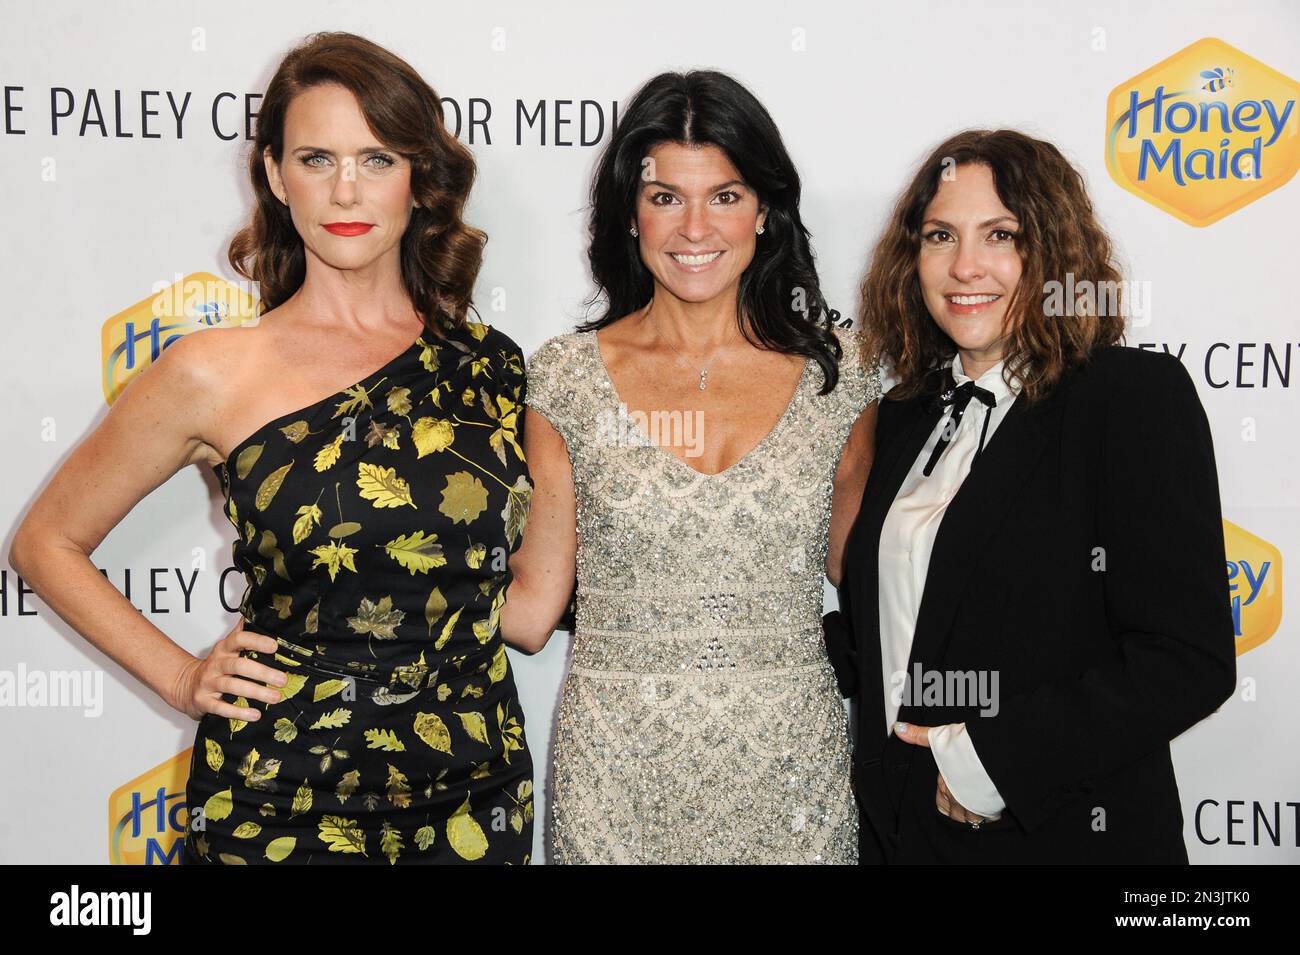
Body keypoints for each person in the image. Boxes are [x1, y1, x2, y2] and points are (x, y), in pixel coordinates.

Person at [9, 32, 534, 864]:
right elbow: (46, 541)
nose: (347, 189)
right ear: (273, 174)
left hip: (472, 802)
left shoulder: (490, 366)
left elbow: (529, 600)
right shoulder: (212, 372)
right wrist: (182, 676)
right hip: (278, 801)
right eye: (317, 159)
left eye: (378, 158)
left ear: (418, 176)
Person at [824, 129, 1236, 864]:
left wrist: (987, 764)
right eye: (940, 235)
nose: (964, 267)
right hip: (898, 838)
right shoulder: (902, 416)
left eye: (1000, 236)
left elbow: (1186, 658)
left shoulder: (1128, 401)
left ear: (1052, 257)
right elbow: (887, 633)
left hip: (1059, 837)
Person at [501, 70, 880, 863]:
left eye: (727, 195)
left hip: (791, 779)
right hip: (616, 781)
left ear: (766, 209)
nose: (694, 228)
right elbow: (532, 612)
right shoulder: (566, 377)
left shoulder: (840, 374)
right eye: (666, 197)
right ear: (630, 212)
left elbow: (873, 578)